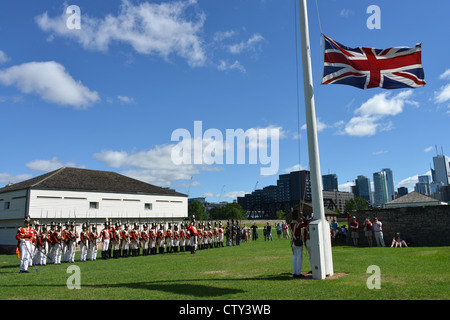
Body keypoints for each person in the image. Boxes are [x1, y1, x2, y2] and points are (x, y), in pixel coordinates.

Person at [288, 211, 309, 278]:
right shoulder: (297, 225)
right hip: (298, 242)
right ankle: (298, 273)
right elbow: (306, 224)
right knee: (299, 257)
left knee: (294, 257)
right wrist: (302, 217)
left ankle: (295, 272)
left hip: (293, 242)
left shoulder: (290, 224)